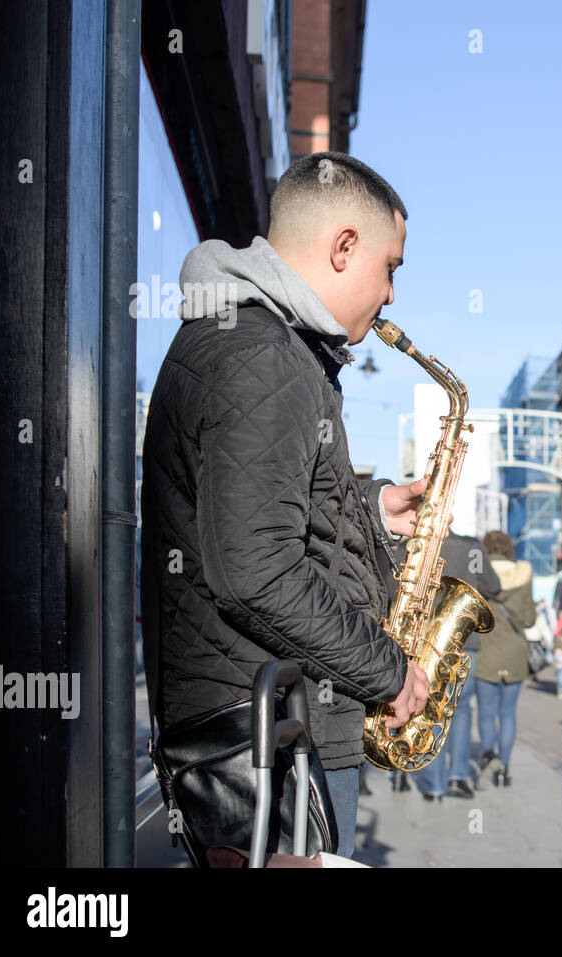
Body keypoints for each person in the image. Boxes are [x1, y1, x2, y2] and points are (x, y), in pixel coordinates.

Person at [140, 152, 432, 858]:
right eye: (391, 266)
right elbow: (255, 568)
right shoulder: (262, 355)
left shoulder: (259, 344)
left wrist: (368, 505)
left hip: (267, 724)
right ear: (342, 246)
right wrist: (388, 669)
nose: (391, 294)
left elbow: (259, 510)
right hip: (269, 736)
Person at [413, 528, 501, 801]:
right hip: (466, 641)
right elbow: (494, 586)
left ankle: (434, 785)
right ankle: (459, 777)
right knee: (460, 710)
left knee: (430, 710)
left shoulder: (417, 544)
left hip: (427, 642)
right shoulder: (471, 547)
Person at [474, 530, 536, 788]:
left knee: (486, 713)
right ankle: (505, 771)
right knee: (508, 713)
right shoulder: (523, 573)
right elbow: (529, 620)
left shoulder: (479, 571)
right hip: (514, 652)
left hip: (486, 651)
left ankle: (489, 760)